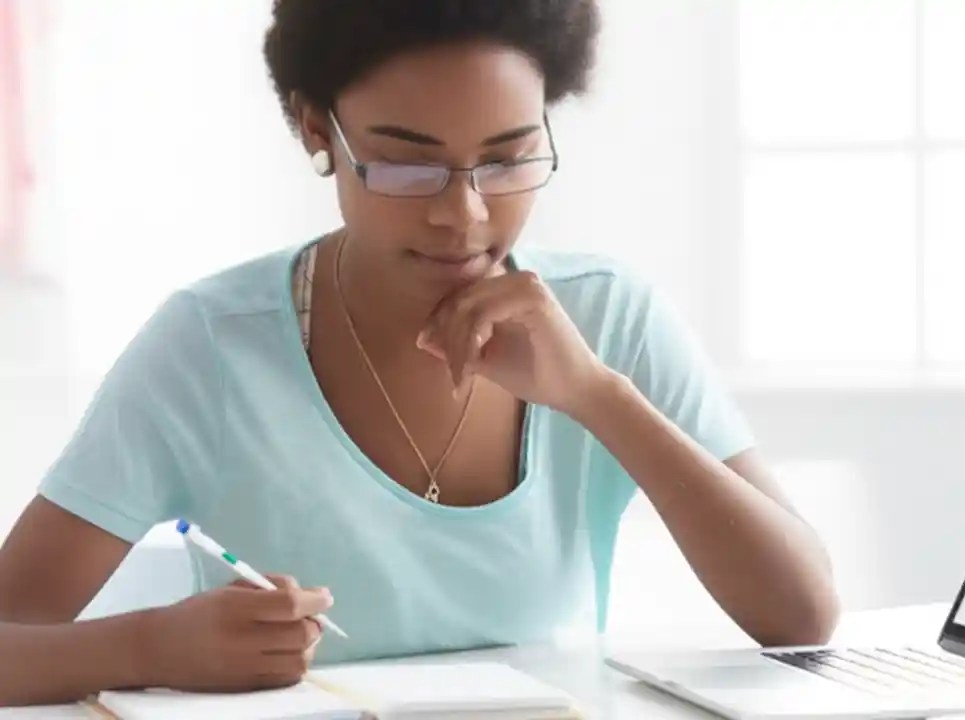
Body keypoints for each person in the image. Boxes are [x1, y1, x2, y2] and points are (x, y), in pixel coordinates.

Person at [0, 0, 838, 706]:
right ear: (312, 129)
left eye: (508, 160)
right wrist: (146, 649)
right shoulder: (209, 347)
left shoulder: (605, 314)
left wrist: (595, 394)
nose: (465, 216)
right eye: (406, 167)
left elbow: (803, 615)